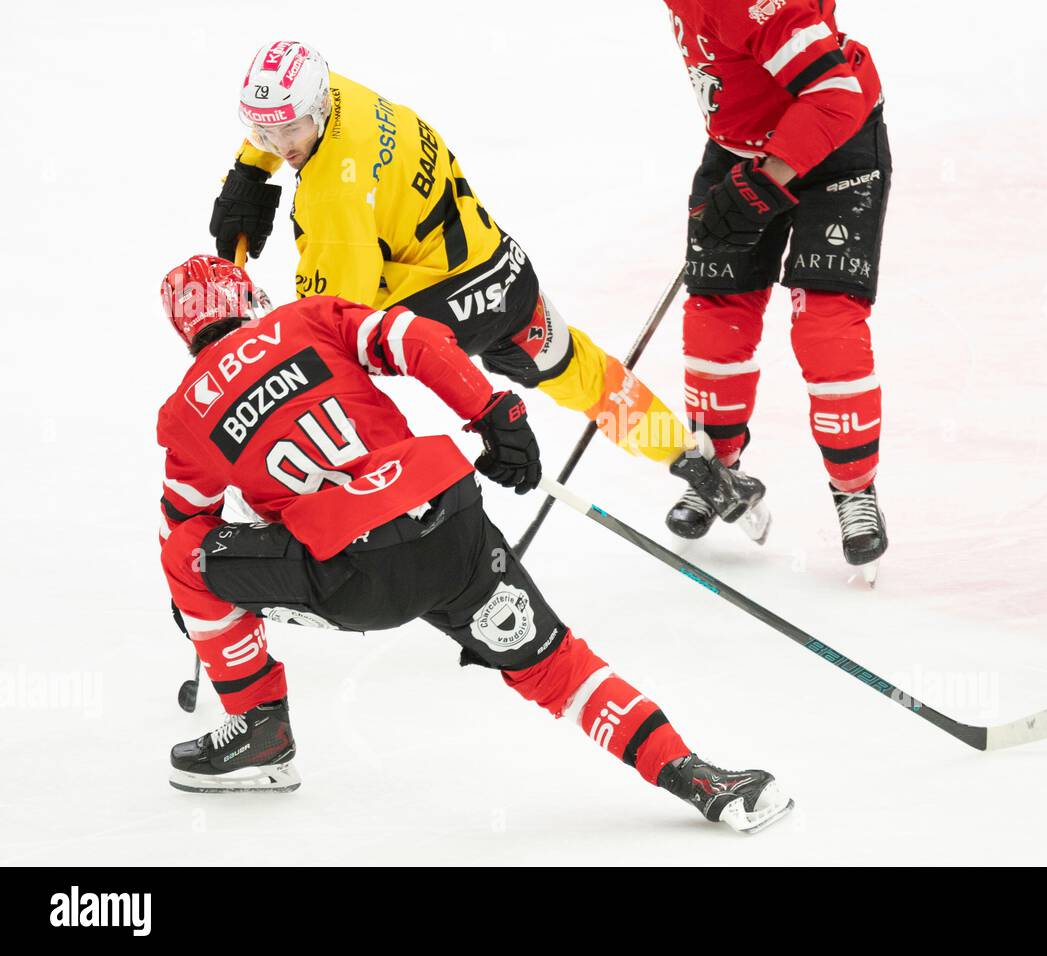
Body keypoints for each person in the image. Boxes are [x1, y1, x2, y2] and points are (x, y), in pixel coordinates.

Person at [154, 254, 792, 834]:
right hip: (448, 522)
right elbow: (419, 340)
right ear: (249, 298)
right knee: (552, 664)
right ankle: (696, 774)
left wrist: (205, 612)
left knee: (187, 560)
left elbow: (182, 523)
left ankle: (262, 731)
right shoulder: (308, 318)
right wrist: (493, 413)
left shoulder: (184, 412)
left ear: (187, 334)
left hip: (354, 577)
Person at [208, 40, 763, 531]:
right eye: (263, 131)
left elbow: (332, 322)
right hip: (502, 271)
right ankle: (693, 461)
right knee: (582, 373)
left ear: (320, 108)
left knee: (324, 371)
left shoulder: (333, 200)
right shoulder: (341, 93)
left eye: (289, 130)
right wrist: (250, 170)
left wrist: (264, 351)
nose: (279, 143)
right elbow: (283, 121)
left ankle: (316, 499)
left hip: (441, 309)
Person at [660, 0, 891, 571]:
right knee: (715, 320)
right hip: (740, 147)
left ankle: (855, 491)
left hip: (838, 148)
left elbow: (836, 94)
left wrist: (766, 179)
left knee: (825, 327)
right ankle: (715, 472)